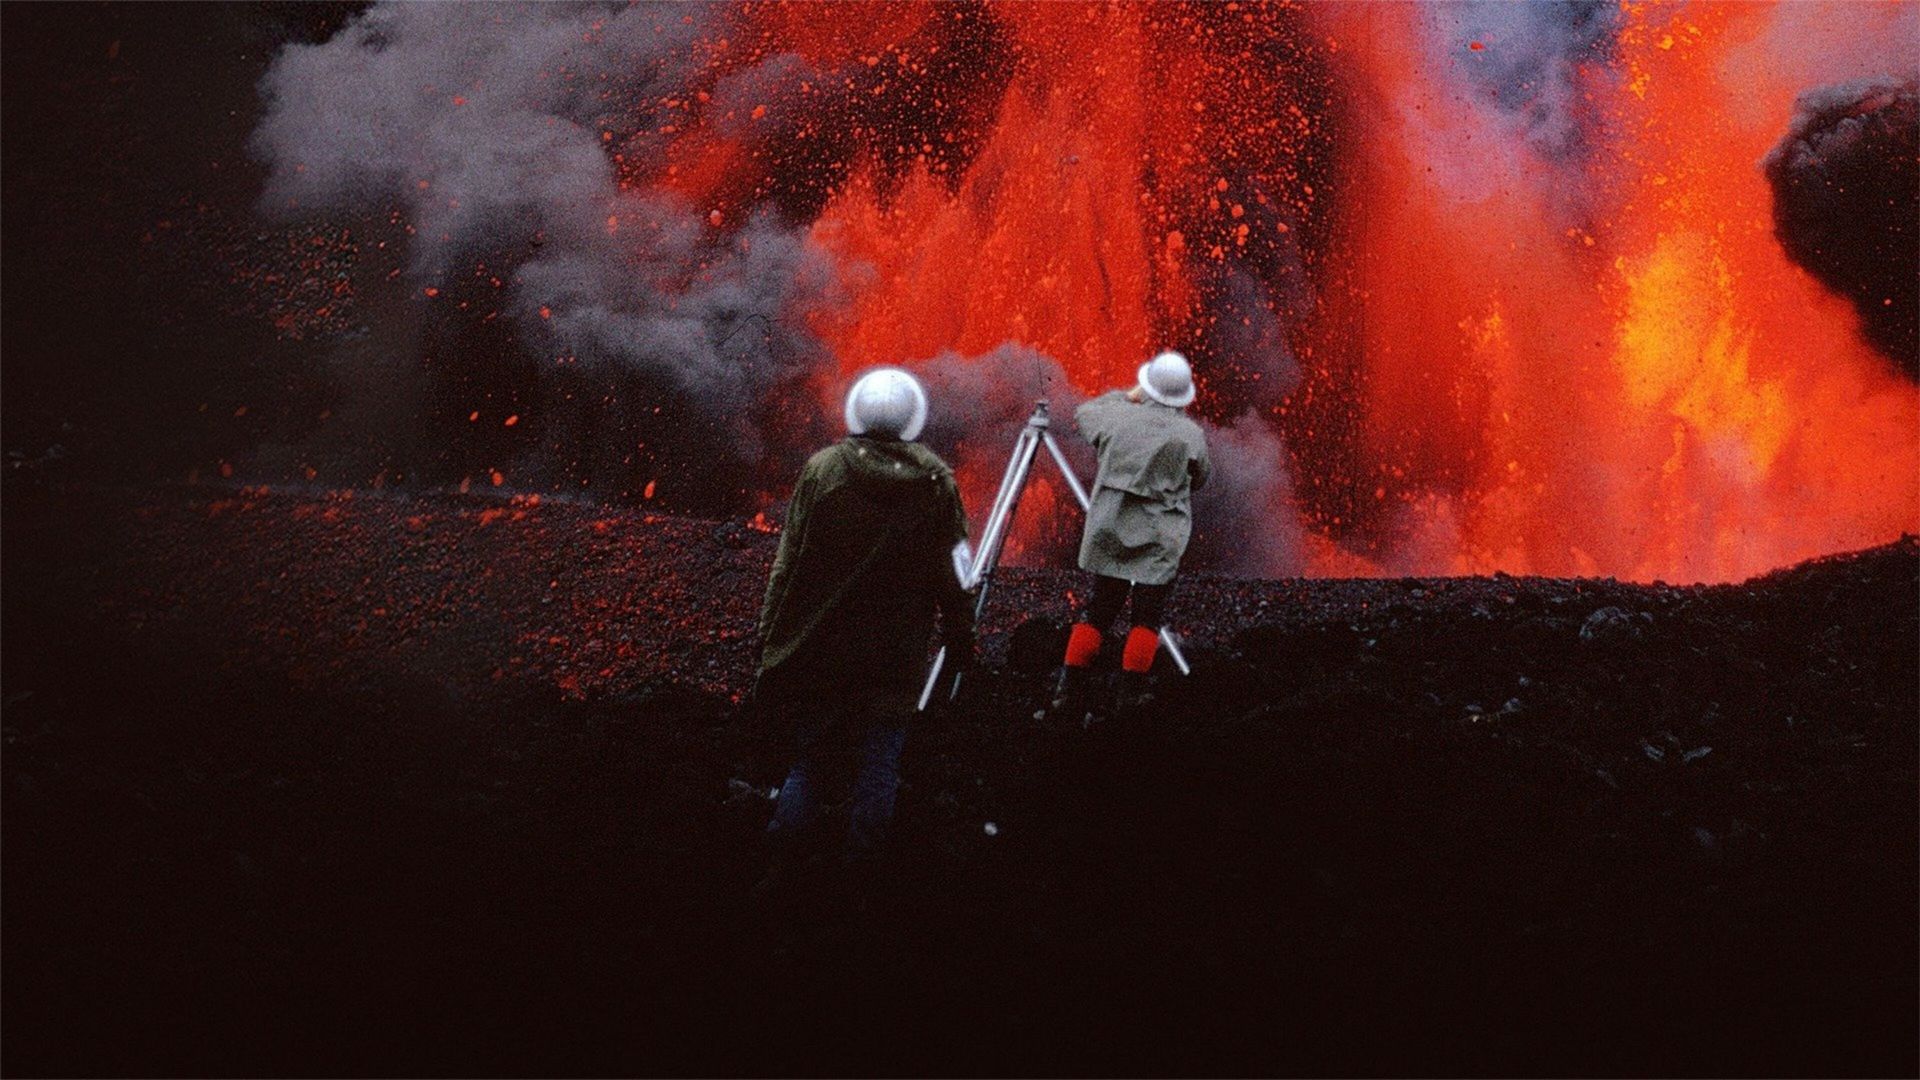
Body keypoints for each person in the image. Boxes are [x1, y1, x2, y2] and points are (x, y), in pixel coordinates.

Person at [755, 367, 975, 862]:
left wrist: (771, 636)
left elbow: (787, 562)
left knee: (810, 762)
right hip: (896, 649)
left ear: (857, 412)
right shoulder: (937, 481)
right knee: (880, 762)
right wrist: (962, 635)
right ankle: (863, 870)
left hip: (823, 642)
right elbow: (957, 568)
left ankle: (782, 861)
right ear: (911, 419)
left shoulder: (822, 470)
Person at [1050, 350, 1210, 720]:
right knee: (1146, 617)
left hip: (1111, 528)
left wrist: (1128, 396)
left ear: (1147, 387)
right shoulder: (1190, 434)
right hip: (1160, 536)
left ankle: (1068, 694)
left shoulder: (1116, 416)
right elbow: (1200, 477)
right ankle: (1130, 699)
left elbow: (1084, 413)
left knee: (1099, 610)